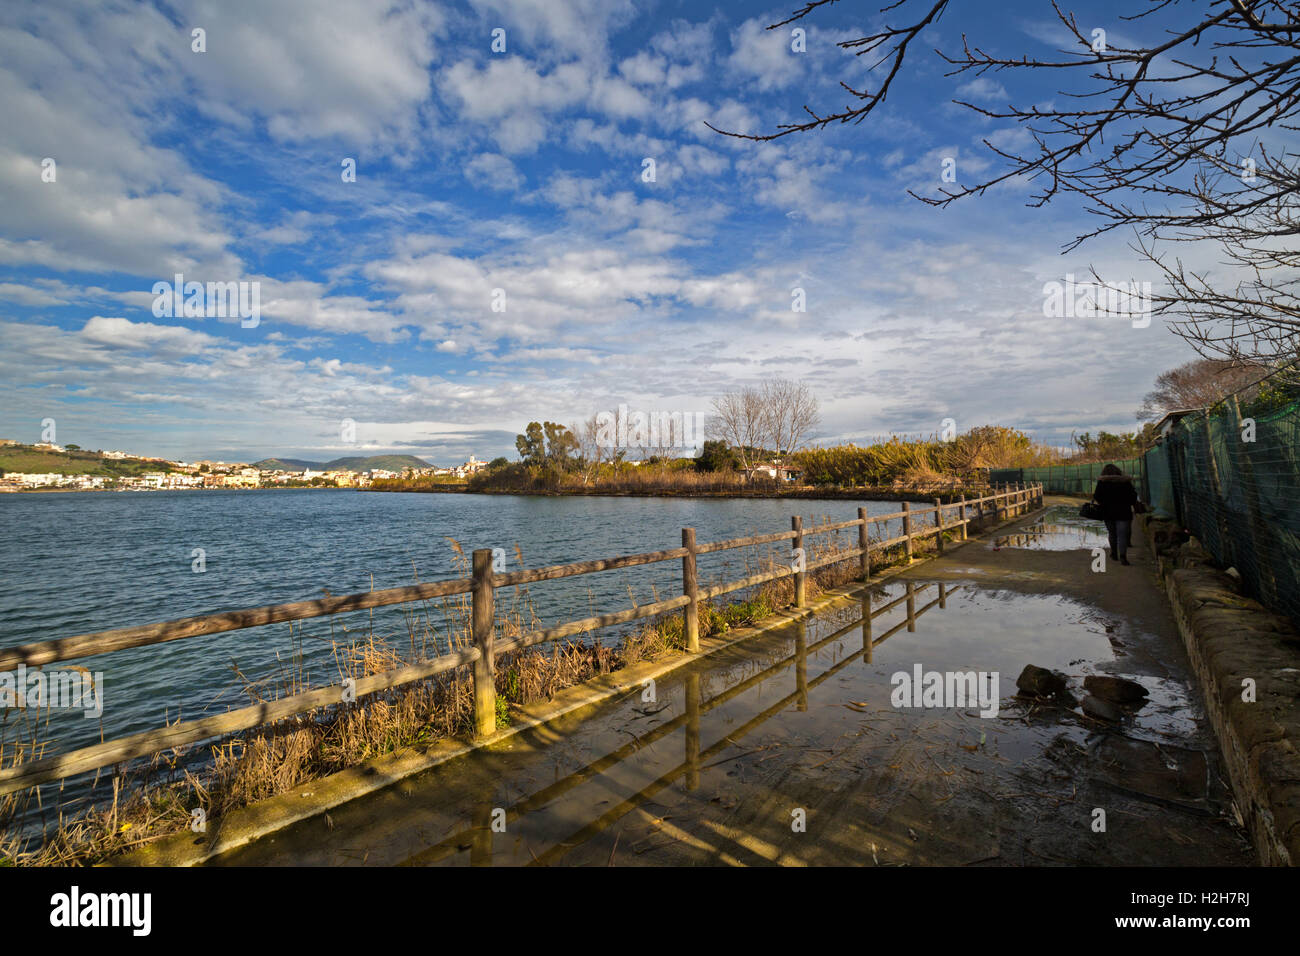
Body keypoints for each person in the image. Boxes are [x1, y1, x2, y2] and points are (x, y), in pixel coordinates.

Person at [1091, 463, 1140, 565]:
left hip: (1108, 512)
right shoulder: (1126, 482)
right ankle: (1123, 557)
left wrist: (1105, 503)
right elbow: (1133, 498)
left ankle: (1114, 553)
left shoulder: (1102, 482)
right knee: (1122, 535)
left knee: (1112, 533)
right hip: (1124, 512)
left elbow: (1097, 496)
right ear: (1118, 471)